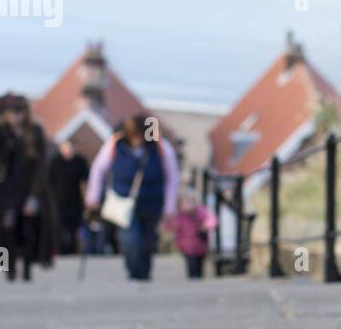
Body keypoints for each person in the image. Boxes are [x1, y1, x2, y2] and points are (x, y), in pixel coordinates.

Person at [85, 114, 178, 281]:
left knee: (148, 240)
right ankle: (134, 272)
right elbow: (98, 169)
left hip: (152, 202)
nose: (137, 140)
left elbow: (172, 177)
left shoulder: (160, 147)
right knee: (130, 240)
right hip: (124, 202)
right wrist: (93, 196)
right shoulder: (115, 145)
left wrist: (169, 207)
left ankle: (144, 273)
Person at [0, 93, 58, 282]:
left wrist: (35, 195)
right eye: (11, 112)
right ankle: (6, 267)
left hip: (28, 188)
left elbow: (41, 165)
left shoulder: (34, 131)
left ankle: (27, 268)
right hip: (5, 190)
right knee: (5, 230)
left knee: (28, 230)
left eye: (19, 112)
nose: (16, 117)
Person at [47, 140, 90, 255]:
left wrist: (86, 198)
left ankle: (74, 248)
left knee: (75, 226)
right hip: (59, 201)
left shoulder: (80, 162)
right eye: (66, 148)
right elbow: (49, 182)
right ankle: (60, 249)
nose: (68, 151)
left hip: (76, 201)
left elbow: (85, 182)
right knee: (60, 226)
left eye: (70, 148)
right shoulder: (55, 162)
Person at [164, 188, 217, 279]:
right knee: (191, 265)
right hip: (187, 247)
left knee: (199, 264)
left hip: (201, 245)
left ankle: (198, 277)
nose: (188, 205)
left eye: (190, 201)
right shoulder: (180, 217)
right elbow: (171, 226)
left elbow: (212, 219)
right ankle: (193, 278)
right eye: (185, 202)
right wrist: (168, 220)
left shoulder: (201, 212)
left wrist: (206, 226)